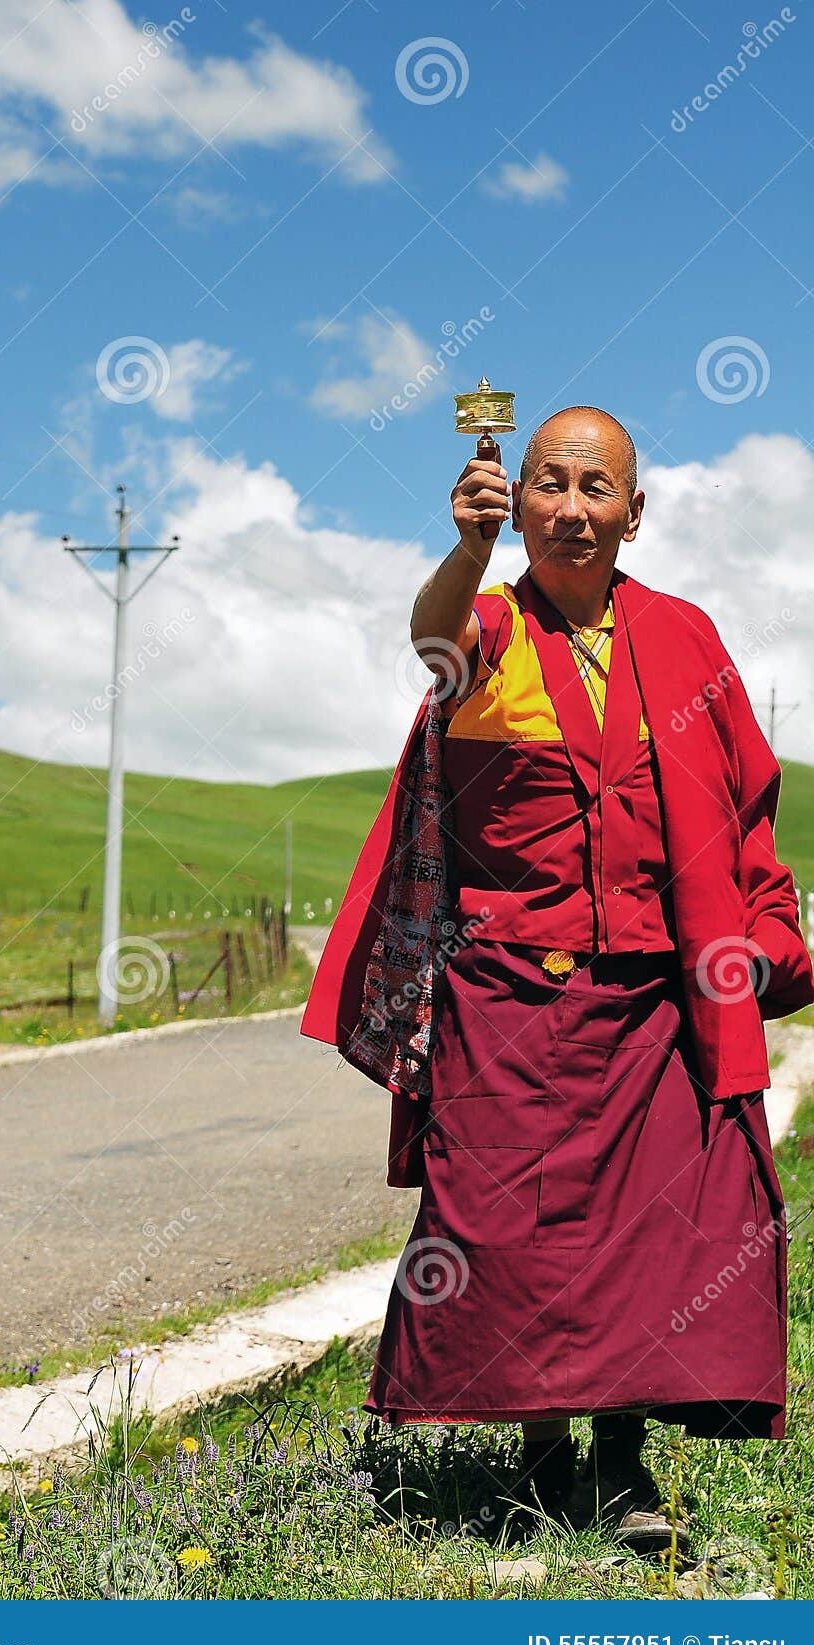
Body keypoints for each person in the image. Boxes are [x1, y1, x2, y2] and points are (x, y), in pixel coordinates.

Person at [301, 406, 814, 1551]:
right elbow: (432, 644)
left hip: (654, 1007)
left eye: (596, 488)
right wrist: (466, 554)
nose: (571, 508)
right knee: (505, 1229)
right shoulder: (486, 625)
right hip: (509, 1004)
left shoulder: (683, 637)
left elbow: (742, 803)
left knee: (659, 1233)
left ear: (635, 513)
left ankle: (622, 1475)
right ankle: (541, 1466)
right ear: (516, 499)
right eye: (548, 484)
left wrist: (765, 928)